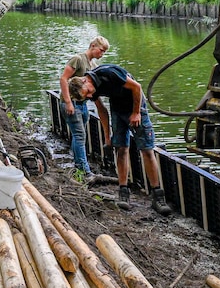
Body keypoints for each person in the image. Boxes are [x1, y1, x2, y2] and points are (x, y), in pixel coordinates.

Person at [68, 64, 172, 215]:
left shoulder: (109, 74)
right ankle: (123, 192)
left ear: (85, 80)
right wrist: (107, 136)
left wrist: (136, 113)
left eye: (88, 92)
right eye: (87, 97)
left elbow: (137, 87)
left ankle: (157, 196)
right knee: (121, 149)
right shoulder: (91, 89)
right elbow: (102, 110)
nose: (90, 96)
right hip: (117, 108)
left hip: (136, 104)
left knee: (146, 149)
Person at [58, 36, 109, 181]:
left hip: (83, 104)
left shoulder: (93, 65)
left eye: (104, 52)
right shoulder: (78, 59)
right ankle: (84, 171)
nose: (102, 54)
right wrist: (68, 102)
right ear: (93, 46)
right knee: (80, 135)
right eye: (101, 50)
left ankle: (79, 165)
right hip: (72, 103)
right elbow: (63, 79)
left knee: (79, 135)